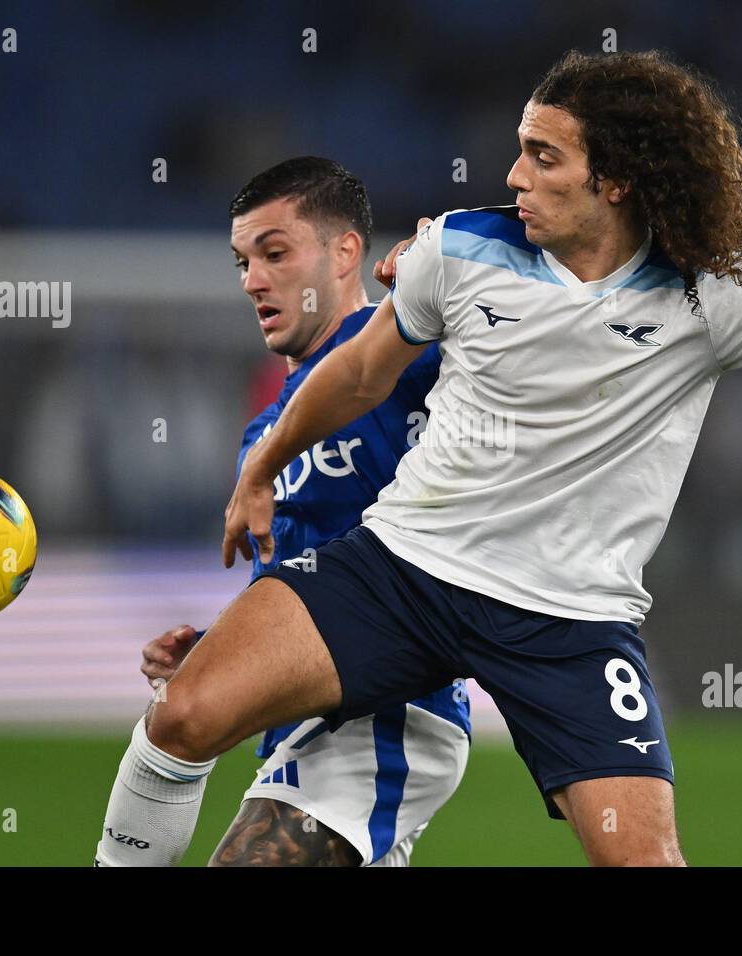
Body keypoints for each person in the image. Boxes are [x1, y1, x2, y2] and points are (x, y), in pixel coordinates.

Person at [97, 50, 742, 867]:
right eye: (517, 152)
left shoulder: (720, 293)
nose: (514, 176)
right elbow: (355, 374)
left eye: (541, 156)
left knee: (643, 863)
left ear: (613, 178)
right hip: (404, 569)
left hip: (567, 622)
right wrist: (262, 463)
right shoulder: (461, 251)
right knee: (185, 711)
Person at [95, 157, 468, 867]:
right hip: (301, 732)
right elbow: (304, 580)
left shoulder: (414, 362)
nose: (252, 281)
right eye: (242, 262)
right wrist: (219, 644)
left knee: (179, 728)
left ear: (345, 251)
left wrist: (459, 268)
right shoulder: (261, 438)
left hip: (384, 717)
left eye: (274, 253)